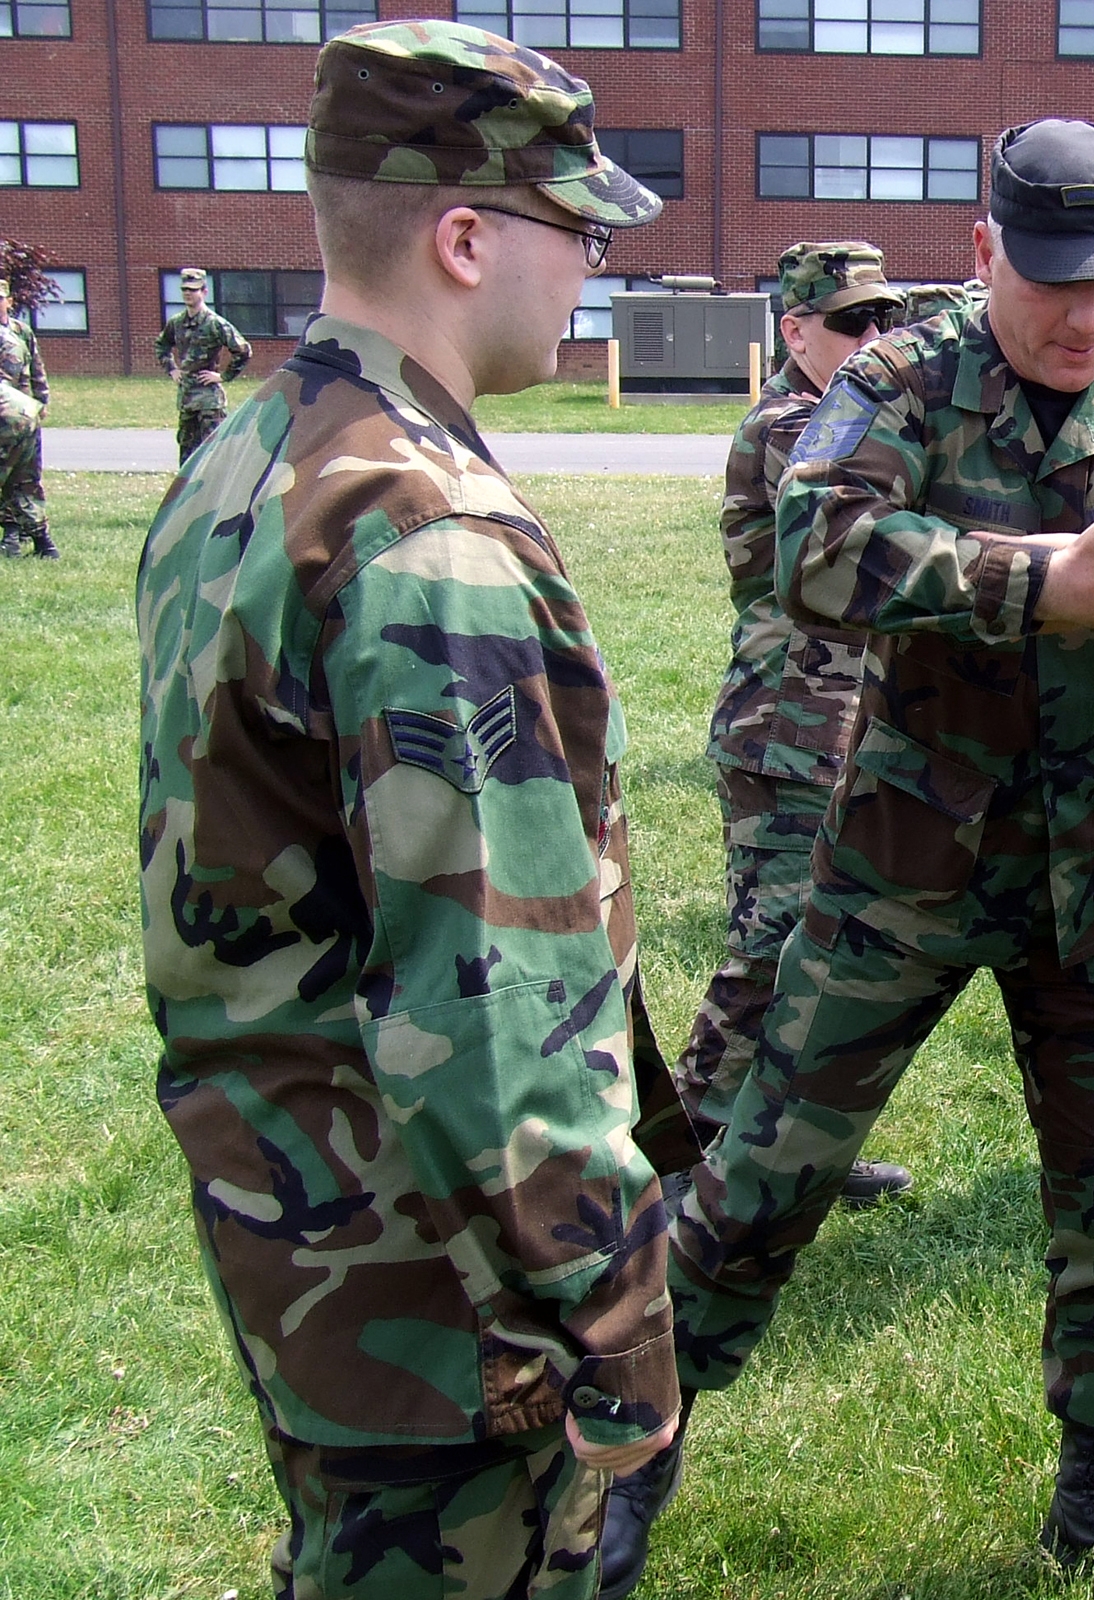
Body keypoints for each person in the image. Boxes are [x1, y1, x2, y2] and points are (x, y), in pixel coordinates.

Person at [659, 119, 1094, 1600]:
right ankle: (631, 1459)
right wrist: (1044, 581)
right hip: (912, 858)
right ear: (984, 256)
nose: (1089, 320)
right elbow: (815, 551)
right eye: (1054, 286)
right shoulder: (907, 376)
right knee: (768, 1169)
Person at [134, 22, 693, 1599]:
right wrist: (611, 1320)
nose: (590, 264)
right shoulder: (424, 529)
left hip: (294, 1217)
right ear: (465, 238)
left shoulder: (249, 450)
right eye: (574, 230)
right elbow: (491, 1001)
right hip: (439, 1289)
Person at [673, 240, 914, 1207]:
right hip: (791, 722)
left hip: (848, 717)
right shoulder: (796, 426)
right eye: (854, 322)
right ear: (795, 329)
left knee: (833, 945)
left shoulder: (851, 411)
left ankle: (793, 1139)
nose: (875, 339)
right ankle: (676, 1151)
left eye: (885, 320)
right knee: (772, 941)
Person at [155, 266, 252, 464]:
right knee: (187, 459)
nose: (188, 294)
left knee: (214, 456)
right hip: (187, 400)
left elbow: (243, 350)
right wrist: (172, 369)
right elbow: (162, 345)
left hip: (209, 402)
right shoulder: (176, 323)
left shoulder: (215, 324)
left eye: (193, 289)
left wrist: (223, 376)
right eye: (185, 290)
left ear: (204, 292)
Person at [0, 278, 54, 559]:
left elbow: (36, 370)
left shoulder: (21, 332)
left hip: (13, 413)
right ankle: (35, 541)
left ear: (9, 301)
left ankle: (19, 537)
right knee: (21, 481)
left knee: (20, 479)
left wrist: (41, 400)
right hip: (19, 411)